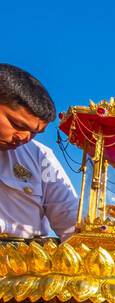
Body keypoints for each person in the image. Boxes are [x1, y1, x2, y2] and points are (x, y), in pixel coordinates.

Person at [0, 65, 77, 240]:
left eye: (34, 133)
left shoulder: (40, 156)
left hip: (27, 261)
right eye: (18, 125)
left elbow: (69, 219)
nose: (24, 138)